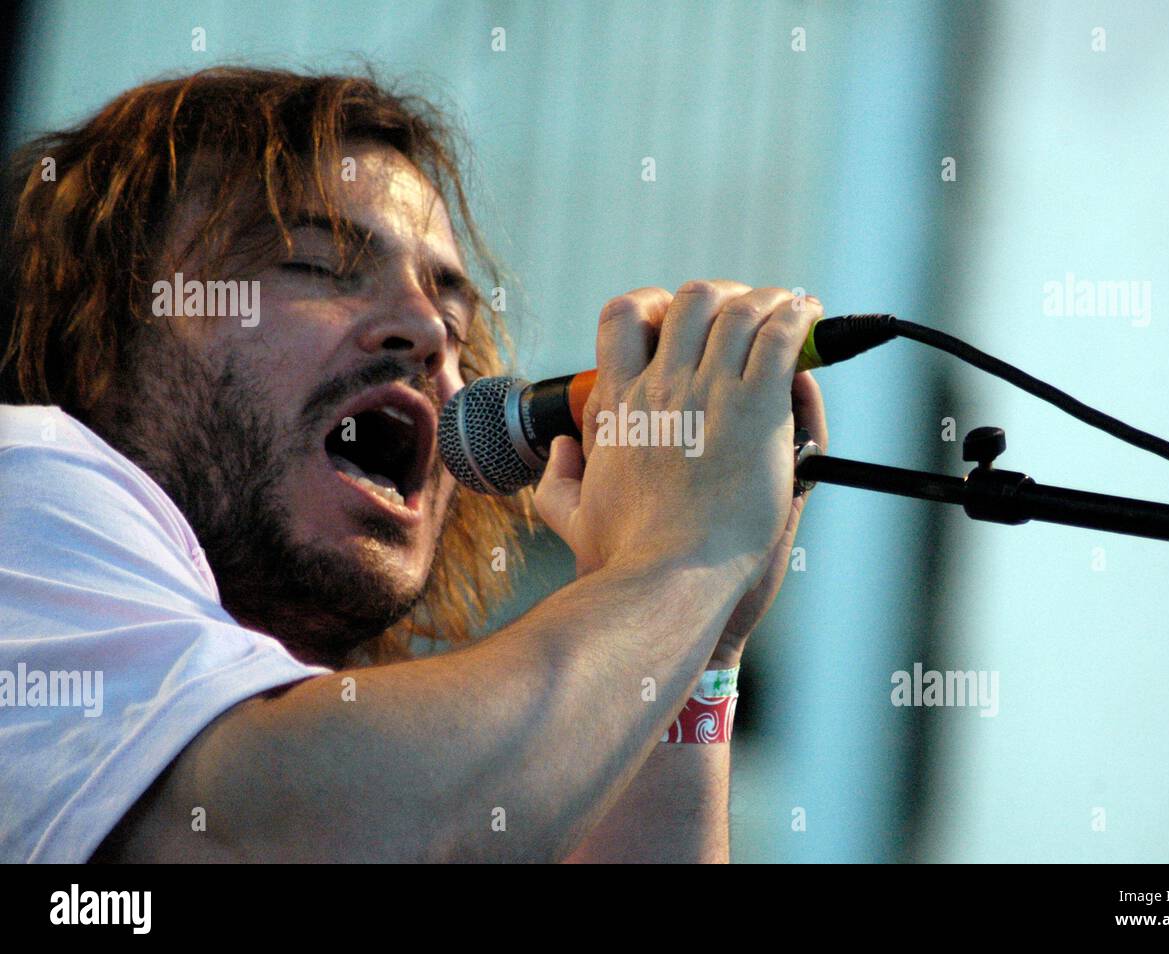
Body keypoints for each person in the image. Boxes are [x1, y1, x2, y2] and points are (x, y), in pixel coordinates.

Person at [0, 67, 827, 863]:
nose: (428, 333)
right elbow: (308, 834)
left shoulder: (361, 741)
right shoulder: (21, 476)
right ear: (102, 337)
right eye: (318, 267)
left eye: (455, 318)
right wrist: (679, 557)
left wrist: (695, 651)